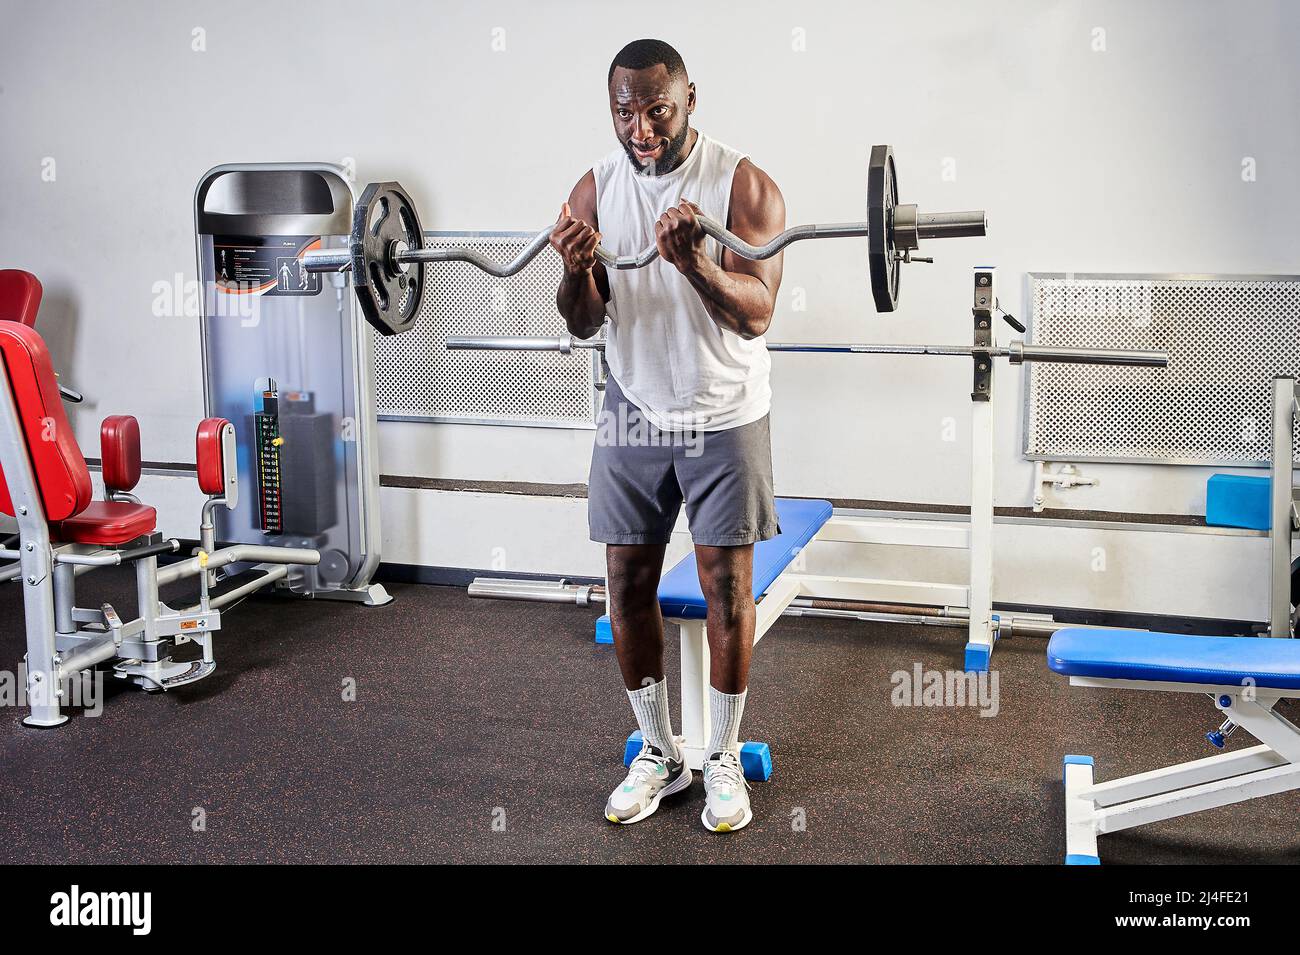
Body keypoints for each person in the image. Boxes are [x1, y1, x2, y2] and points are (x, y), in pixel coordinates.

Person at [549, 38, 785, 833]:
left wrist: (695, 264)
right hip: (632, 406)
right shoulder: (596, 189)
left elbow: (756, 313)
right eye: (625, 112)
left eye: (657, 109)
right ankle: (660, 753)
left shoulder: (741, 184)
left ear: (690, 99)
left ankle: (720, 755)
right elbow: (584, 322)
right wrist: (578, 270)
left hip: (723, 408)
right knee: (626, 584)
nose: (641, 127)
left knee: (725, 589)